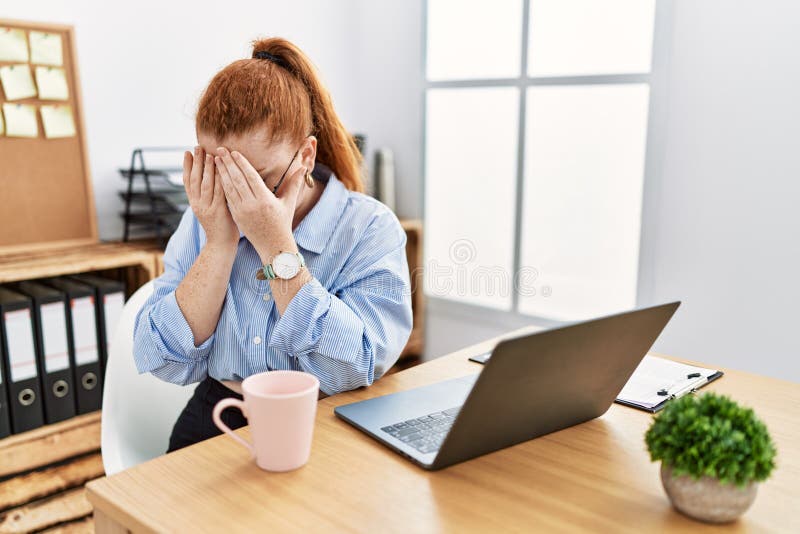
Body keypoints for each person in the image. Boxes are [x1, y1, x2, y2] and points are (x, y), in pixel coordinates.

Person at [132, 37, 413, 452]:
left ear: (305, 156)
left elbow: (356, 366)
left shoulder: (370, 227)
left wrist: (277, 247)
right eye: (221, 175)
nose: (237, 198)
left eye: (257, 180)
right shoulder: (204, 218)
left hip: (324, 418)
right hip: (218, 414)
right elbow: (160, 356)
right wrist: (218, 244)